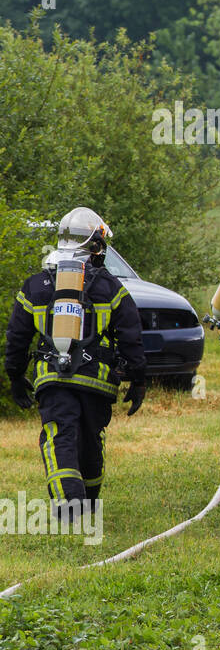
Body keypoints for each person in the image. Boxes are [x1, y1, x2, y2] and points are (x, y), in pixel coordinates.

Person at [3, 207, 146, 511]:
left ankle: (70, 507)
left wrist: (15, 375)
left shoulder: (36, 286)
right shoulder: (111, 288)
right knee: (90, 438)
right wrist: (138, 378)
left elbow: (17, 336)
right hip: (96, 381)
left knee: (60, 436)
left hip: (54, 379)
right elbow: (131, 334)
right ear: (95, 245)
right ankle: (88, 504)